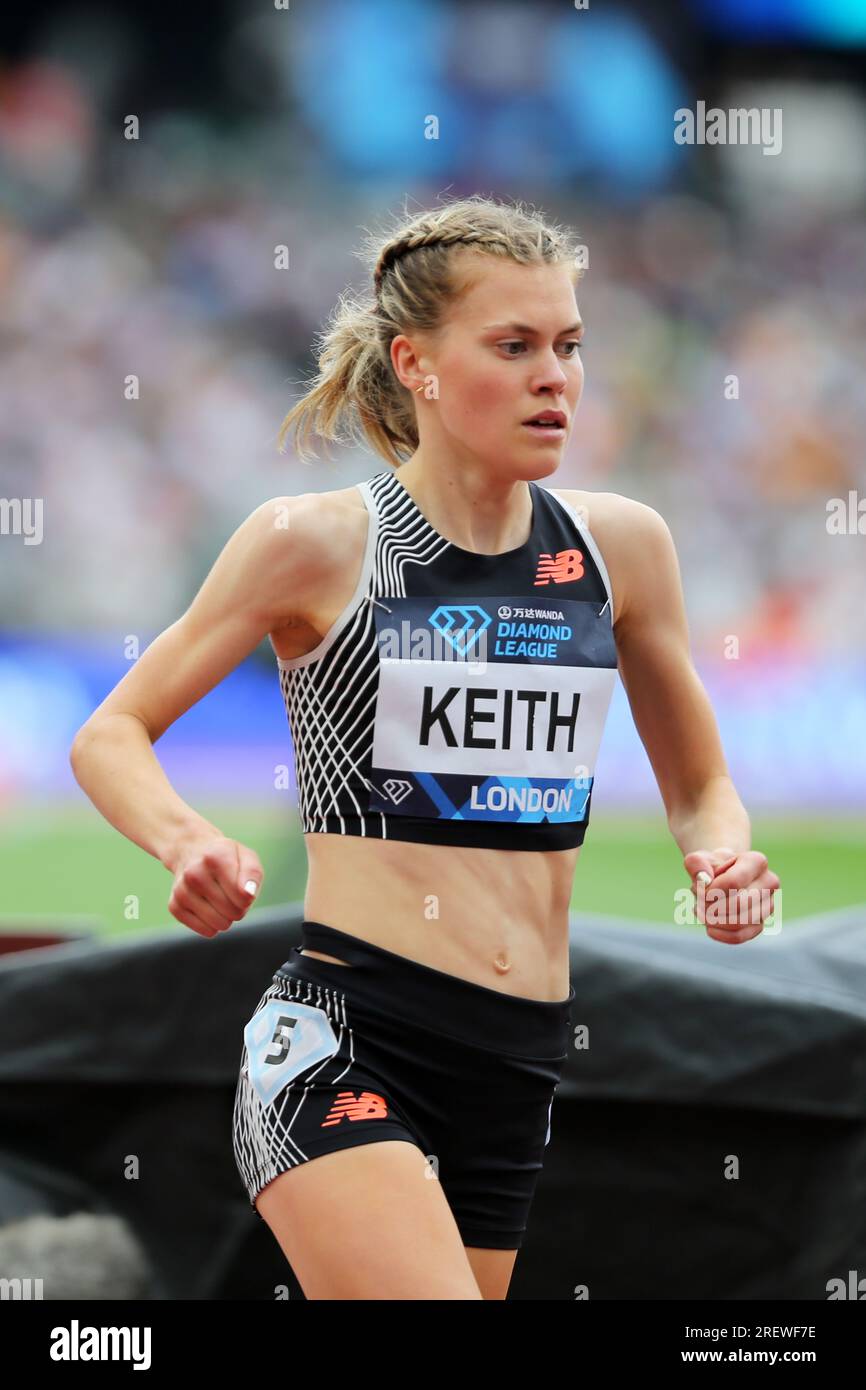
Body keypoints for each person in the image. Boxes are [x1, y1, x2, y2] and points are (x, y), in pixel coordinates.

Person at [69, 194, 780, 1300]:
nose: (557, 377)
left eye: (569, 345)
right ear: (417, 364)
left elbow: (701, 787)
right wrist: (182, 841)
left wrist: (720, 857)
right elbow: (110, 732)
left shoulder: (620, 550)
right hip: (346, 1041)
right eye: (514, 346)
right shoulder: (314, 544)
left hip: (514, 1064)